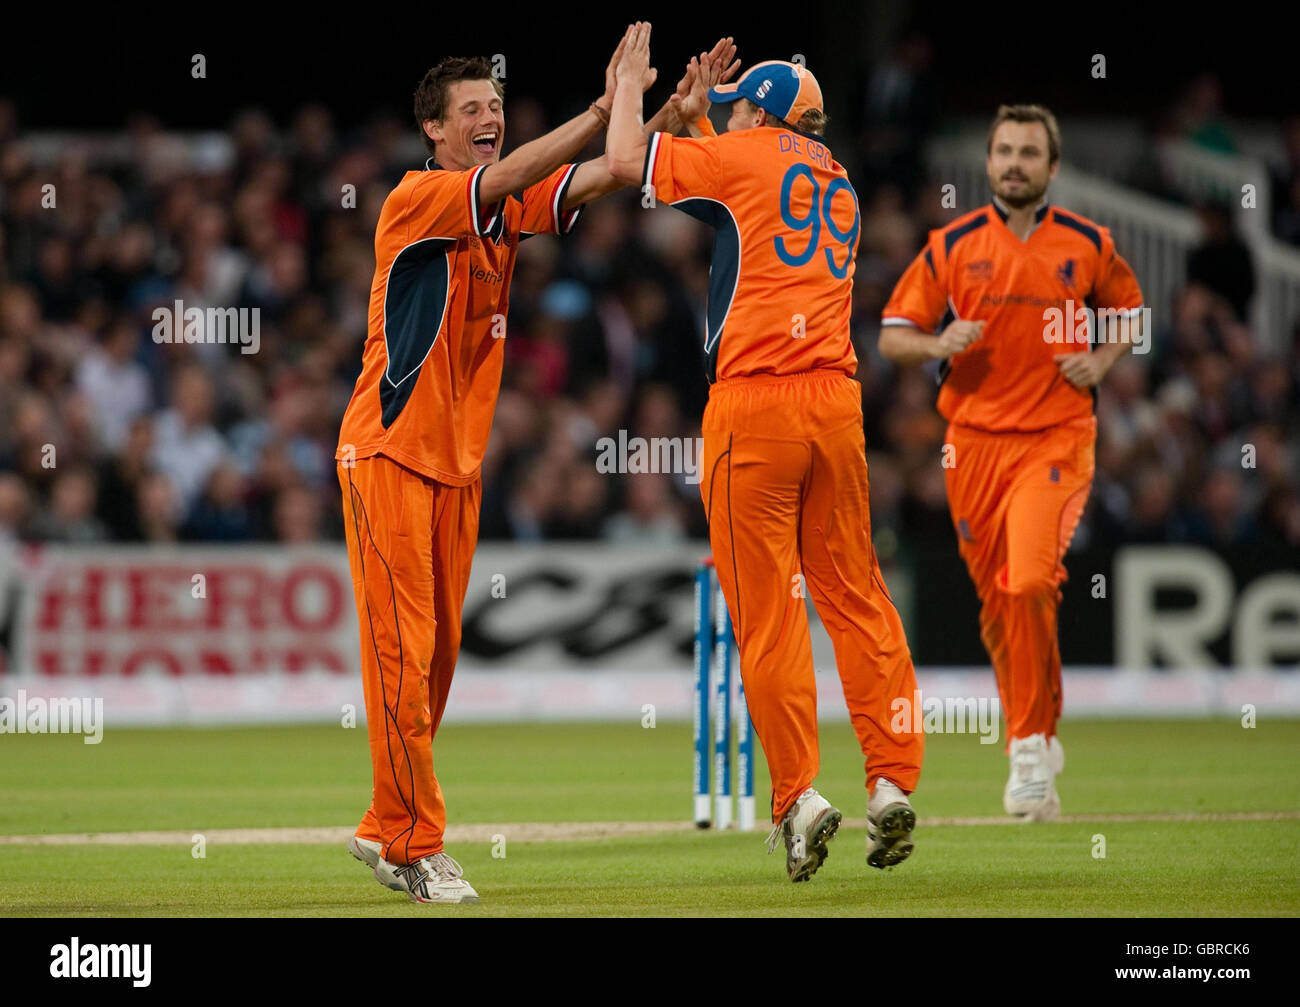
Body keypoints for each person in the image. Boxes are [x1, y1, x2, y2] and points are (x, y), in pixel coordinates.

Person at [334, 28, 715, 905]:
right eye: (471, 110)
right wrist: (594, 107)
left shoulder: (501, 206)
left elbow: (610, 171)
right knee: (400, 659)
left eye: (496, 108)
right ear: (432, 129)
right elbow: (509, 179)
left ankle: (380, 824)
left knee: (431, 665)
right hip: (388, 451)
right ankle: (414, 845)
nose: (489, 120)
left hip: (454, 466)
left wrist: (652, 113)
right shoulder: (417, 198)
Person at [608, 24, 924, 882]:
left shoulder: (746, 158)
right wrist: (701, 115)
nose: (731, 113)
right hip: (836, 405)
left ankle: (800, 795)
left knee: (769, 611)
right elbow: (741, 196)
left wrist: (634, 92)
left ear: (764, 112)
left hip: (755, 407)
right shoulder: (842, 181)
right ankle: (893, 775)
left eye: (740, 105)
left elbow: (627, 160)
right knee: (857, 595)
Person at [879, 104, 1144, 821]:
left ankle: (1027, 745)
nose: (1015, 162)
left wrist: (1104, 357)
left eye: (1030, 151)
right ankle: (1042, 729)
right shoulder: (953, 244)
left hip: (1057, 439)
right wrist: (938, 346)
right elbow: (893, 334)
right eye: (1004, 150)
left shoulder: (1089, 242)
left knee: (1028, 577)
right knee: (1003, 607)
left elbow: (1131, 310)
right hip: (972, 447)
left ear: (1052, 167)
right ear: (990, 162)